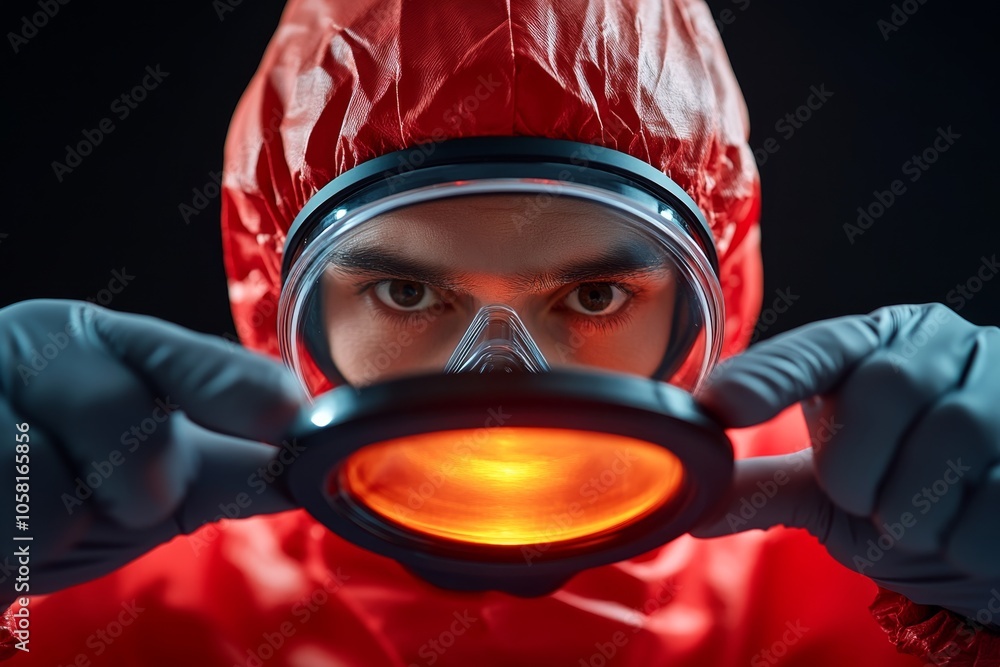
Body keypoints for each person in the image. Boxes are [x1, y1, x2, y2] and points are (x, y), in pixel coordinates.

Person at [1, 0, 998, 664]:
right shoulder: (82, 590)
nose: (498, 391)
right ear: (276, 295)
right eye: (403, 295)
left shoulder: (899, 535)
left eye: (595, 297)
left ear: (717, 291)